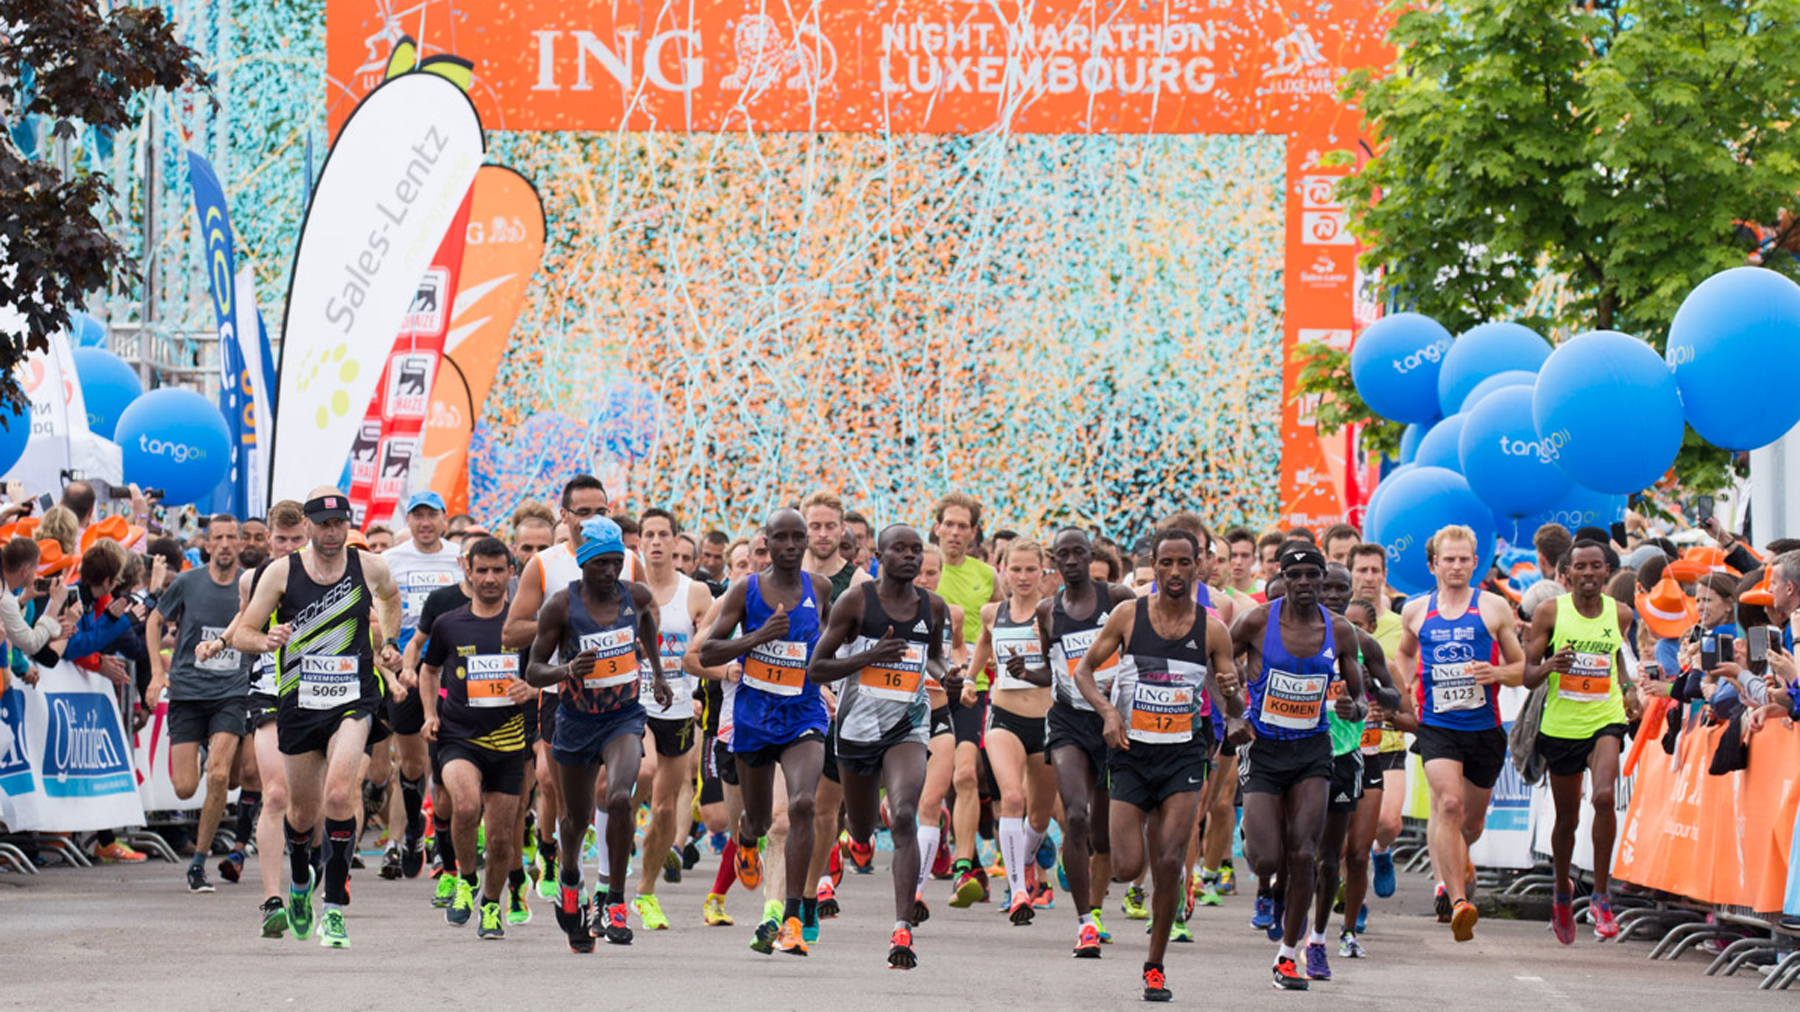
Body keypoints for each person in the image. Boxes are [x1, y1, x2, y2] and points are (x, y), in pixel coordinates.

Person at [1074, 528, 1245, 1002]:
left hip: (1183, 755)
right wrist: (1108, 713)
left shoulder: (1212, 629)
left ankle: (1155, 966)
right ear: (1153, 564)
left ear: (1199, 565)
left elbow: (1229, 701)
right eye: (1165, 562)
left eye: (1184, 563)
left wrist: (1233, 699)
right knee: (1128, 866)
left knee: (1169, 861)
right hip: (1130, 753)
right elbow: (1084, 671)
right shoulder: (1129, 615)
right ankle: (1153, 846)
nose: (1174, 572)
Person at [229, 489, 404, 950]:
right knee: (303, 812)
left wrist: (389, 641)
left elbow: (390, 597)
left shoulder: (369, 566)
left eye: (338, 524)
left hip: (352, 699)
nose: (331, 533)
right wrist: (266, 640)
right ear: (307, 526)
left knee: (341, 794)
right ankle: (300, 879)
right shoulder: (281, 573)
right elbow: (243, 632)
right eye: (322, 525)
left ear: (348, 524)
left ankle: (335, 909)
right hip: (299, 703)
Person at [809, 523, 959, 968]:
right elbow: (817, 667)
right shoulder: (855, 602)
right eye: (899, 549)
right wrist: (870, 656)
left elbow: (934, 656)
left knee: (905, 813)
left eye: (916, 549)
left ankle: (902, 930)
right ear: (879, 556)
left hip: (907, 725)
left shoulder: (933, 606)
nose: (910, 556)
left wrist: (948, 675)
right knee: (861, 827)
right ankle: (855, 841)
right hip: (856, 728)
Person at [526, 515, 669, 952]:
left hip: (623, 717)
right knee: (574, 818)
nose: (610, 572)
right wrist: (568, 669)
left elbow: (647, 625)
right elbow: (533, 671)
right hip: (575, 721)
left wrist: (657, 673)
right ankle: (569, 875)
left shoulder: (635, 596)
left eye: (616, 563)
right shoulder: (561, 606)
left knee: (622, 796)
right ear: (583, 564)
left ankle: (615, 902)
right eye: (600, 564)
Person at [696, 507, 833, 956]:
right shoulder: (746, 589)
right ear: (767, 543)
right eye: (781, 538)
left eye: (798, 537)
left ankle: (791, 918)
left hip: (803, 715)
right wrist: (757, 637)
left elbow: (828, 645)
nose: (791, 545)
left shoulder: (821, 588)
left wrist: (829, 676)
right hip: (754, 719)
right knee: (756, 820)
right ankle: (746, 839)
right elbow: (709, 651)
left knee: (801, 804)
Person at [1231, 540, 1364, 989]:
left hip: (1312, 752)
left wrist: (1354, 708)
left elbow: (1360, 698)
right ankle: (1255, 834)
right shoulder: (1256, 621)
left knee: (1304, 852)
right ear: (1282, 578)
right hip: (1265, 750)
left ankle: (1288, 956)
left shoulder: (1340, 630)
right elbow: (1217, 661)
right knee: (1266, 858)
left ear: (1323, 579)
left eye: (1313, 575)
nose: (1304, 583)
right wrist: (1232, 713)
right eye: (1295, 575)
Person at [1393, 524, 1526, 943]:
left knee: (1471, 824)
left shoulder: (1493, 608)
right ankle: (1457, 901)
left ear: (1475, 563)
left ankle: (1458, 862)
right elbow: (1404, 653)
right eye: (1448, 559)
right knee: (1448, 804)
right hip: (1438, 726)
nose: (1456, 566)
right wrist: (1405, 689)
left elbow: (1521, 668)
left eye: (1464, 559)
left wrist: (1497, 673)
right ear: (1434, 564)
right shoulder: (1417, 610)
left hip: (1484, 728)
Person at [420, 537, 534, 939]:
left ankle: (490, 903)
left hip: (509, 743)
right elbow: (429, 670)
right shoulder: (449, 623)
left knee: (502, 839)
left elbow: (545, 673)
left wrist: (531, 688)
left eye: (497, 570)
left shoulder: (523, 627)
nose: (489, 578)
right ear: (467, 570)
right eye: (481, 570)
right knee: (466, 806)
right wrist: (430, 714)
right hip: (458, 737)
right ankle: (466, 879)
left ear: (511, 572)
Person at [1523, 539, 1635, 943]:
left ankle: (1602, 896)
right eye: (1580, 567)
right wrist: (1550, 665)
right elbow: (1527, 675)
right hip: (1562, 726)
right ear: (1567, 573)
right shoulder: (1550, 612)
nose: (1588, 573)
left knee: (1604, 797)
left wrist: (1628, 688)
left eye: (1595, 566)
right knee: (1567, 820)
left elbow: (1616, 657)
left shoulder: (1621, 613)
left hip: (1606, 719)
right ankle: (1561, 890)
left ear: (1607, 571)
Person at [1041, 528, 1137, 956]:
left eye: (1078, 552)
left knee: (1103, 835)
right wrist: (1024, 673)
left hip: (1114, 722)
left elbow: (1138, 651)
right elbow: (1053, 669)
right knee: (1076, 815)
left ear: (1089, 555)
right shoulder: (1047, 610)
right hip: (1068, 721)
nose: (1071, 561)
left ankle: (1097, 906)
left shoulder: (1117, 598)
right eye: (1063, 554)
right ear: (1055, 561)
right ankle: (1084, 923)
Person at [143, 514, 249, 894]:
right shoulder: (188, 582)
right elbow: (154, 621)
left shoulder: (250, 584)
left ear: (240, 544)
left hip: (232, 691)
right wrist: (157, 673)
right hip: (188, 691)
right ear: (207, 545)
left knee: (220, 777)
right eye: (218, 538)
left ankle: (198, 863)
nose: (225, 544)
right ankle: (204, 752)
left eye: (231, 537)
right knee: (185, 788)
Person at [1317, 568, 1410, 966]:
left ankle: (1350, 930)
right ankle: (1303, 920)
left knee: (1357, 853)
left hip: (1365, 757)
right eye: (1328, 589)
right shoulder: (1307, 645)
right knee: (1322, 852)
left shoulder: (1370, 651)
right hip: (1315, 757)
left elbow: (1401, 706)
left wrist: (1374, 693)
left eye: (1342, 589)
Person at [631, 507, 714, 930]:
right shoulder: (627, 588)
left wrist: (705, 686)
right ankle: (616, 840)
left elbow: (711, 646)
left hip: (678, 709)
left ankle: (645, 891)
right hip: (634, 706)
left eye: (664, 534)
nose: (657, 542)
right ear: (639, 541)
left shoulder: (695, 592)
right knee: (642, 771)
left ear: (676, 541)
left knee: (664, 810)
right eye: (649, 534)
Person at [965, 539, 1056, 925]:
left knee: (1040, 816)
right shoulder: (993, 612)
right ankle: (1018, 890)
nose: (1022, 576)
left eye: (1030, 569)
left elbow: (1065, 667)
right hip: (1004, 718)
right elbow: (983, 644)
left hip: (1047, 722)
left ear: (1042, 571)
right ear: (1002, 570)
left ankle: (1029, 859)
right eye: (1015, 569)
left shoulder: (1053, 614)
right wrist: (969, 679)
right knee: (1013, 798)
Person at [381, 490, 465, 880]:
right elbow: (377, 608)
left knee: (446, 760)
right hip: (408, 669)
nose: (425, 523)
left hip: (453, 668)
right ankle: (415, 828)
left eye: (432, 515)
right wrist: (388, 647)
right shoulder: (391, 560)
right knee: (412, 763)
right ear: (409, 521)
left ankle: (444, 846)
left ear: (444, 519)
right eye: (417, 516)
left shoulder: (460, 557)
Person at [797, 490, 870, 938]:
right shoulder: (787, 575)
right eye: (815, 526)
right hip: (788, 701)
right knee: (788, 811)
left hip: (837, 706)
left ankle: (809, 894)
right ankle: (784, 901)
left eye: (830, 526)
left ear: (843, 530)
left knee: (824, 810)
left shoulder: (858, 582)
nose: (822, 534)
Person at [931, 493, 1001, 906]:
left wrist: (987, 659)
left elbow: (1003, 624)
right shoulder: (922, 571)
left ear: (974, 533)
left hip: (974, 686)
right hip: (925, 688)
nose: (955, 533)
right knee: (937, 782)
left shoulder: (987, 575)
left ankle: (965, 865)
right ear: (937, 526)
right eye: (949, 524)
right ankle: (965, 856)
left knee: (967, 775)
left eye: (963, 526)